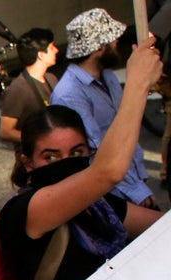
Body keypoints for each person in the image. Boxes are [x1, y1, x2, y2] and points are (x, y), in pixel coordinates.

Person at [0, 38, 165, 280]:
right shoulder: (27, 211)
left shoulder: (99, 207)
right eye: (50, 157)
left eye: (76, 152)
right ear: (27, 163)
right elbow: (108, 171)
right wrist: (138, 84)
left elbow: (162, 228)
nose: (65, 164)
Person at [53, 8, 159, 210]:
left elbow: (125, 127)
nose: (117, 41)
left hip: (132, 183)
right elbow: (97, 151)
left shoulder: (108, 76)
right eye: (112, 39)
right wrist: (137, 190)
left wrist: (140, 178)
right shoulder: (69, 93)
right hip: (111, 196)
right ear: (99, 47)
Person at [0, 28, 60, 145]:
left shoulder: (51, 78)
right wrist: (41, 140)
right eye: (52, 48)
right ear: (41, 55)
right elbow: (5, 132)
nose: (56, 50)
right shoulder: (18, 88)